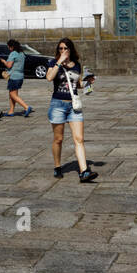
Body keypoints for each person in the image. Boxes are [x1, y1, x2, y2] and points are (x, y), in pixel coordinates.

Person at [47, 37, 97, 181]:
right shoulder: (53, 63)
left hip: (74, 106)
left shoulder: (76, 65)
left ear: (70, 49)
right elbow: (49, 77)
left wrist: (88, 82)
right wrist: (59, 61)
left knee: (79, 139)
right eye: (60, 48)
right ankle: (57, 166)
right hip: (58, 105)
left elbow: (78, 85)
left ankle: (84, 171)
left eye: (65, 48)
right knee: (58, 139)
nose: (63, 51)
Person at [0, 38, 32, 117]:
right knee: (12, 94)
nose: (8, 49)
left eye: (9, 47)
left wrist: (4, 61)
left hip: (14, 77)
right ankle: (11, 111)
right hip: (20, 76)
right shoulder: (21, 53)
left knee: (12, 94)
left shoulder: (13, 53)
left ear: (11, 47)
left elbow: (9, 65)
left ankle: (26, 107)